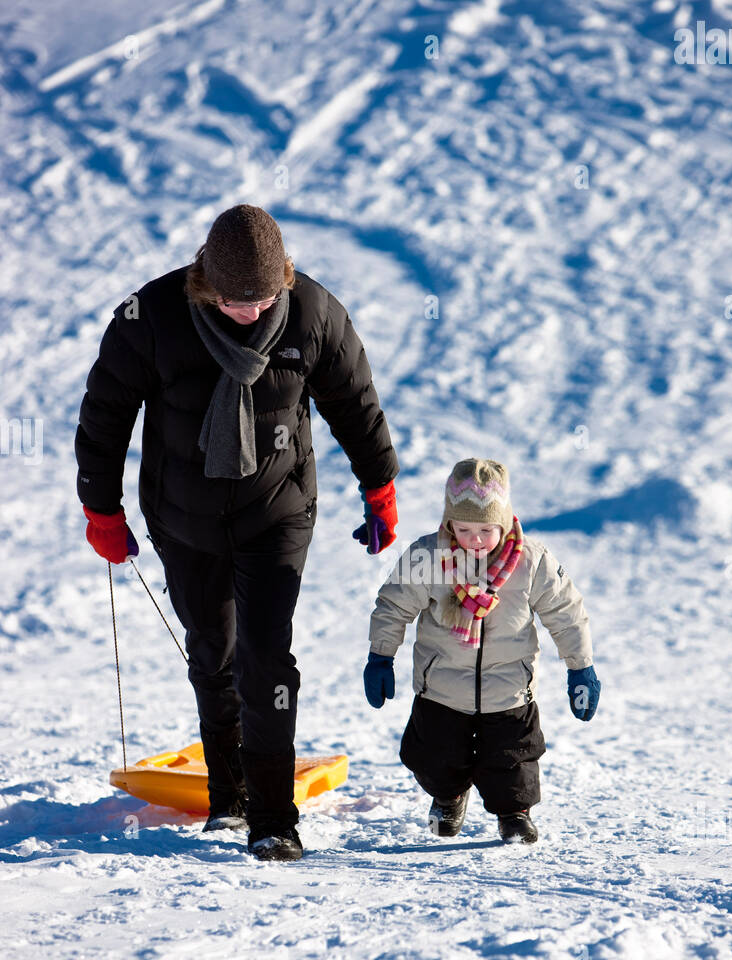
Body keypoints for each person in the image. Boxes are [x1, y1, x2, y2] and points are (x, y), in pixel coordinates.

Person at [76, 204, 399, 862]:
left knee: (265, 656)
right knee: (212, 654)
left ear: (282, 280)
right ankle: (227, 798)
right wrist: (101, 510)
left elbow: (354, 400)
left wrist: (380, 487)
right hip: (183, 516)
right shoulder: (154, 316)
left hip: (277, 511)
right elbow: (105, 412)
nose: (249, 312)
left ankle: (273, 819)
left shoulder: (312, 313)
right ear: (205, 283)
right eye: (233, 299)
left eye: (261, 298)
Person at [362, 458, 600, 844]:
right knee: (436, 756)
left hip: (508, 687)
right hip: (441, 686)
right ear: (449, 522)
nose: (475, 538)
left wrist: (580, 668)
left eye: (486, 529)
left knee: (513, 759)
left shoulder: (531, 562)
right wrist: (381, 656)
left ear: (503, 523)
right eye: (465, 528)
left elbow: (566, 612)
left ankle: (514, 814)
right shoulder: (427, 558)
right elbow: (393, 606)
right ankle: (448, 796)